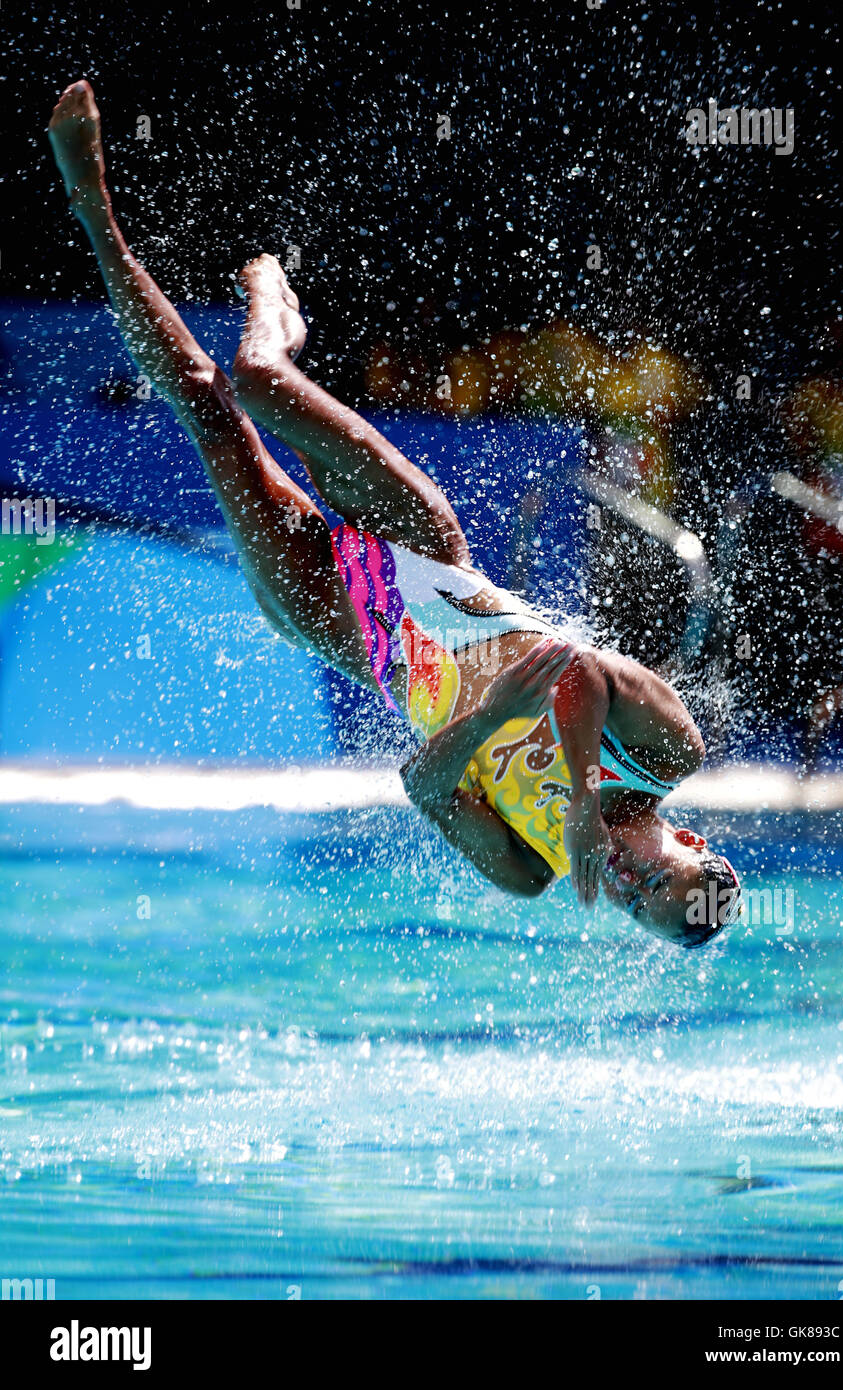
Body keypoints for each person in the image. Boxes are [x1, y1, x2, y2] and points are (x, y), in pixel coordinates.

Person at [48, 80, 741, 948]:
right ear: (691, 840)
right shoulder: (668, 751)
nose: (632, 885)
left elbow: (422, 785)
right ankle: (278, 324)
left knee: (205, 405)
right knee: (259, 380)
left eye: (638, 906)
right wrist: (582, 805)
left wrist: (487, 725)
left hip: (345, 628)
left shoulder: (532, 869)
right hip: (424, 553)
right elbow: (579, 671)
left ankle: (91, 206)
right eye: (661, 880)